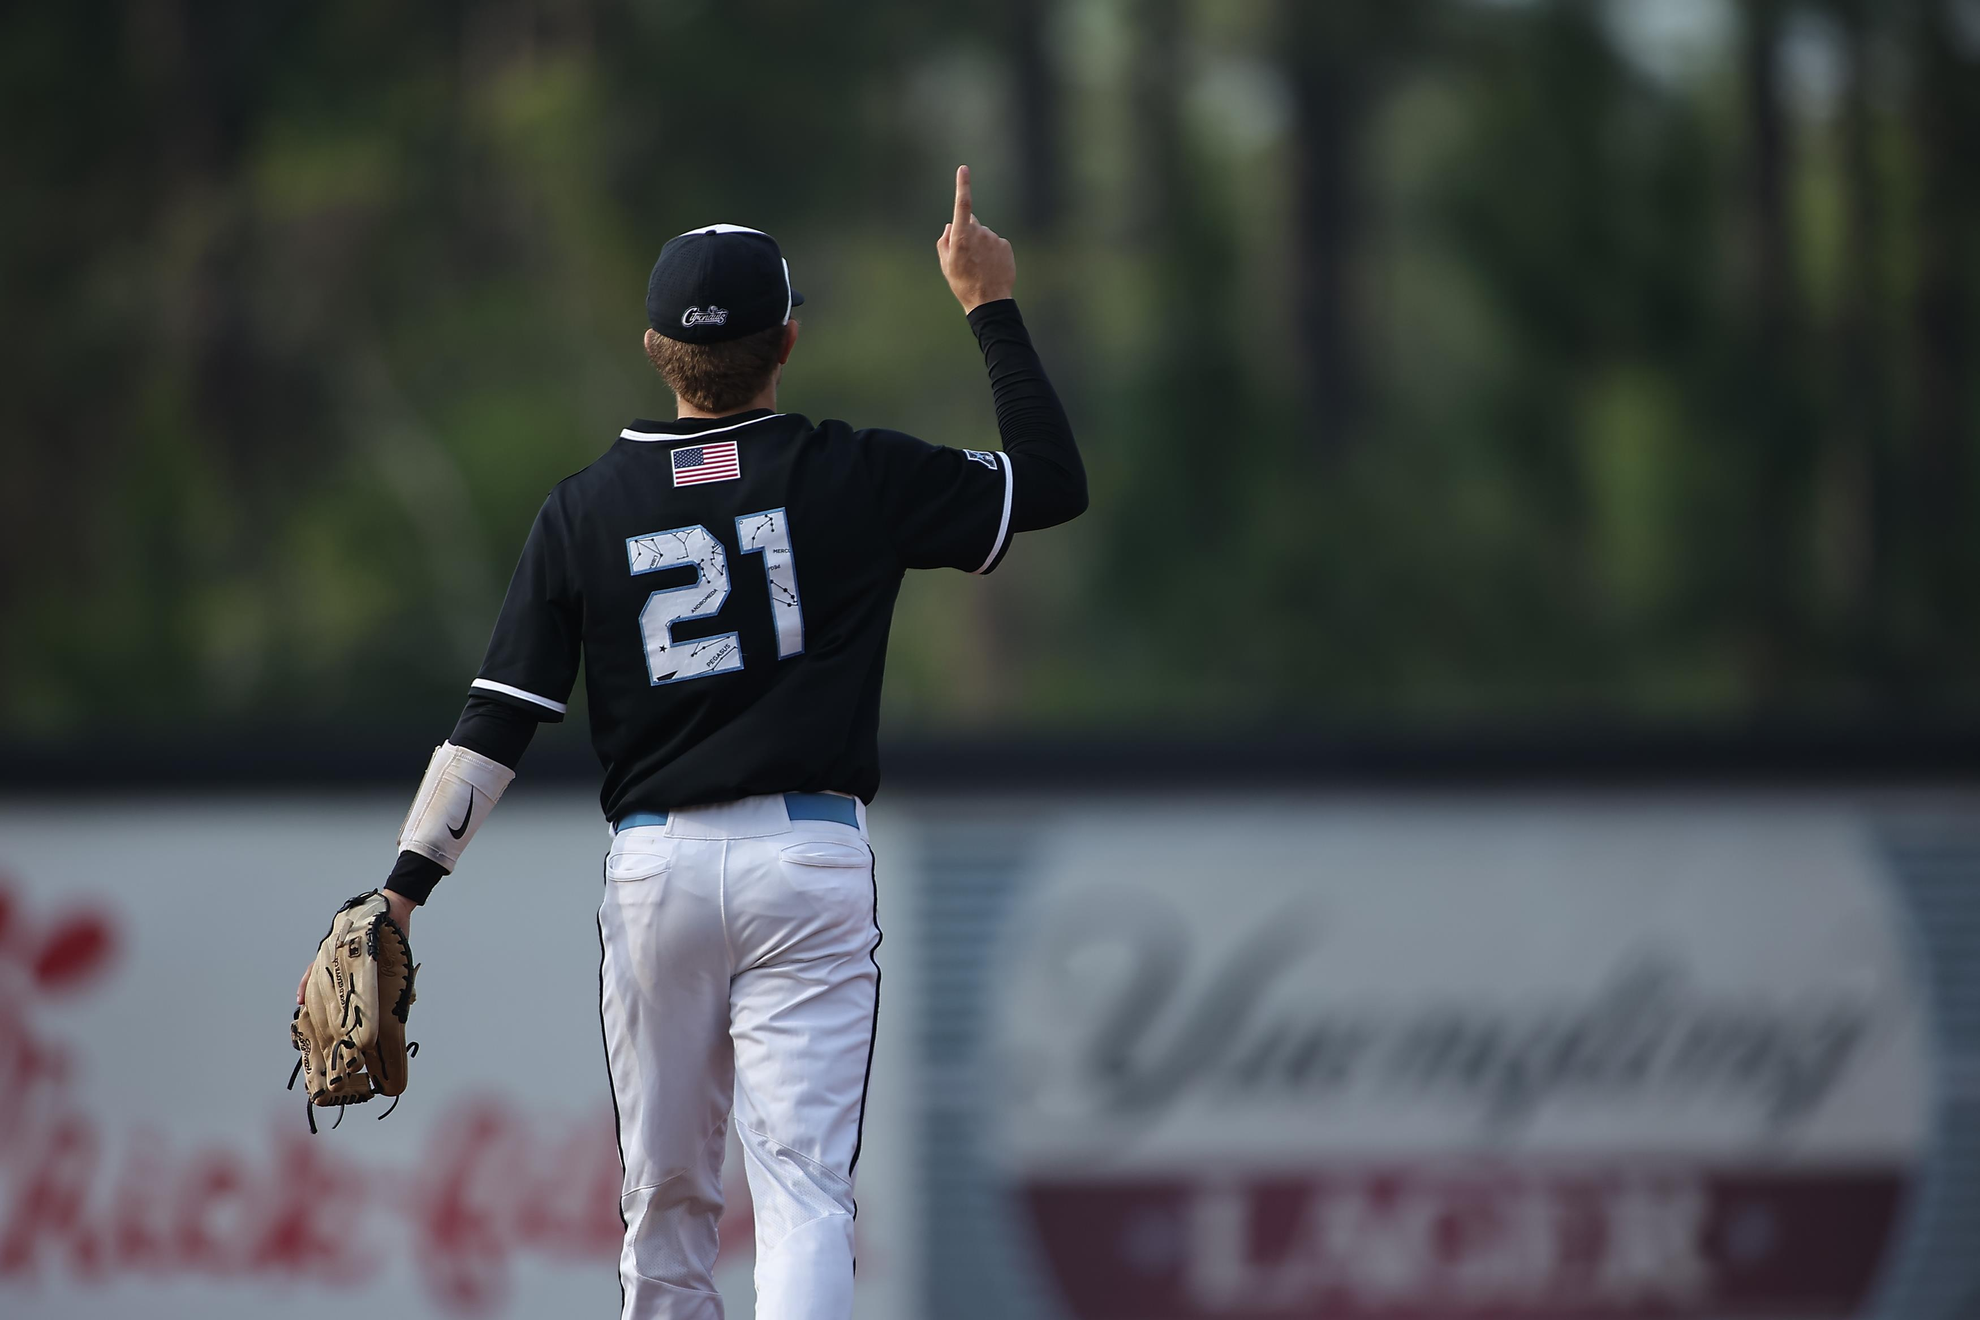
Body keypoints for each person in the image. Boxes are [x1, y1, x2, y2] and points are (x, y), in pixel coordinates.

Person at [298, 166, 1086, 1320]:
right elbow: (1051, 483)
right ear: (788, 342)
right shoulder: (853, 472)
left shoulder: (584, 509)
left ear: (656, 349)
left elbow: (498, 717)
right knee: (804, 1194)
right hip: (809, 859)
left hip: (657, 869)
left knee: (663, 1197)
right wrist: (989, 303)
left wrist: (403, 891)